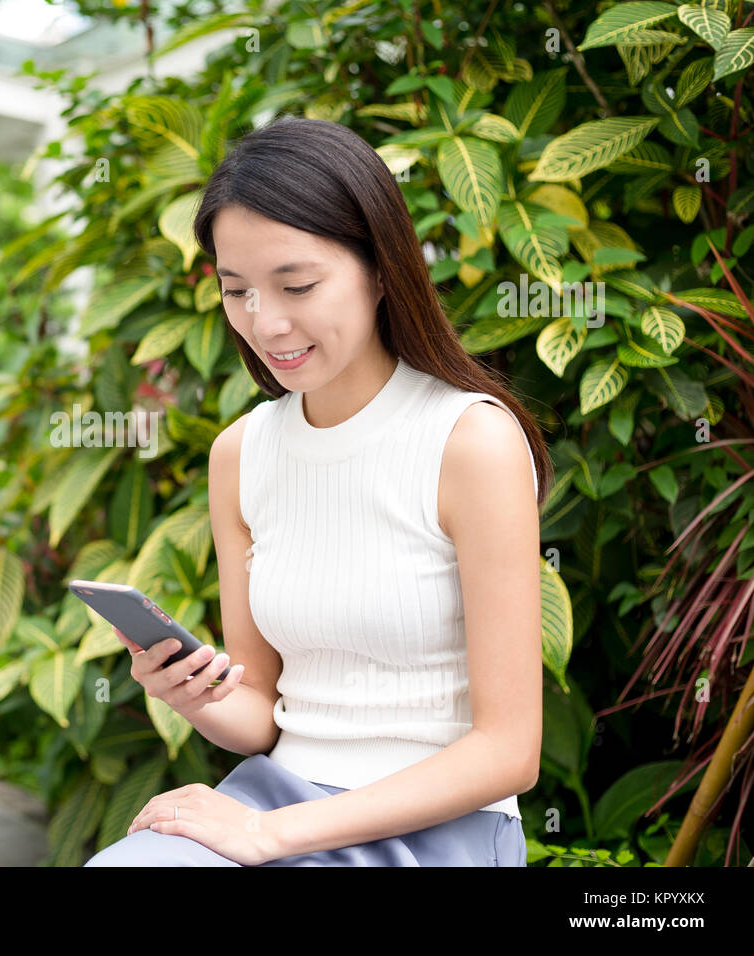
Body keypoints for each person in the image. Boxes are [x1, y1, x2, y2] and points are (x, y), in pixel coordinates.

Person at [84, 116, 551, 867]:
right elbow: (263, 713)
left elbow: (509, 751)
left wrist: (268, 835)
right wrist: (189, 692)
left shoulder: (471, 441)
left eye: (296, 284)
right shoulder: (242, 454)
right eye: (237, 291)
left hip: (436, 829)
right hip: (279, 796)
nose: (265, 323)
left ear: (379, 268)